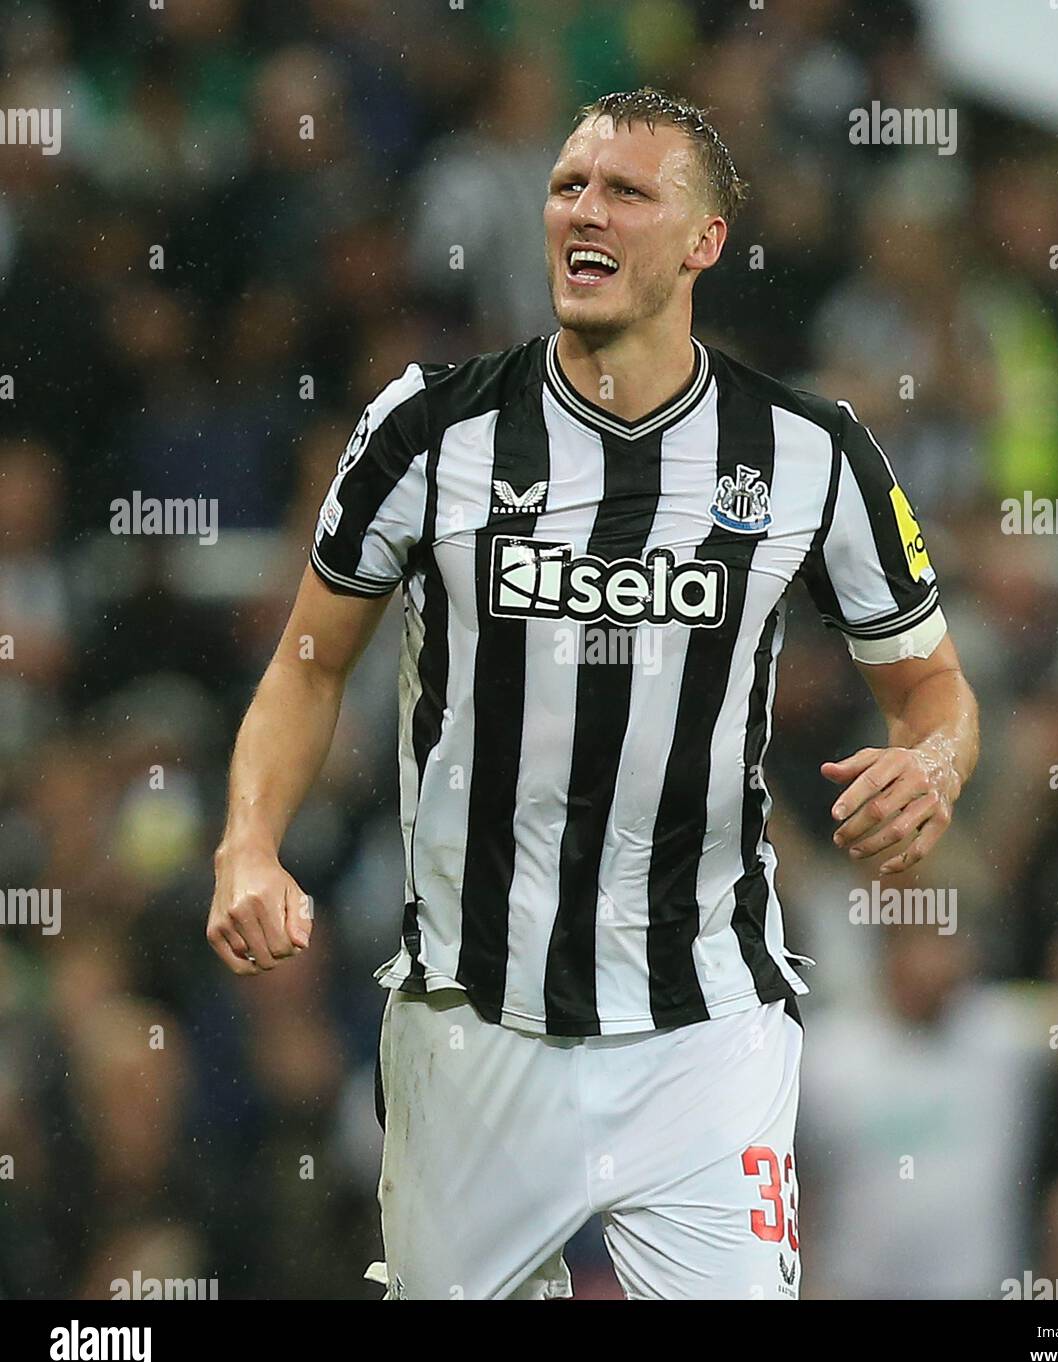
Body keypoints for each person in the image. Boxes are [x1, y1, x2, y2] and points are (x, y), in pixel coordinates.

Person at [205, 87, 979, 1300]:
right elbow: (308, 665)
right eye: (570, 185)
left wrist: (930, 766)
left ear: (704, 240)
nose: (586, 211)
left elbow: (934, 689)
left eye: (628, 192)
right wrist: (248, 842)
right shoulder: (428, 429)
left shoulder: (809, 453)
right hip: (473, 1027)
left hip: (704, 1025)